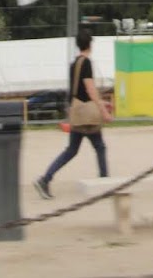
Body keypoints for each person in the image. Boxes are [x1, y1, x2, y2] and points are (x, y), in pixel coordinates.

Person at [34, 31, 109, 199]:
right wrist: (103, 109)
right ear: (90, 44)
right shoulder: (87, 63)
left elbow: (74, 90)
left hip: (77, 112)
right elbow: (90, 88)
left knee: (71, 150)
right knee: (99, 147)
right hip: (88, 115)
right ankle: (105, 182)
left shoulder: (73, 64)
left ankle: (45, 179)